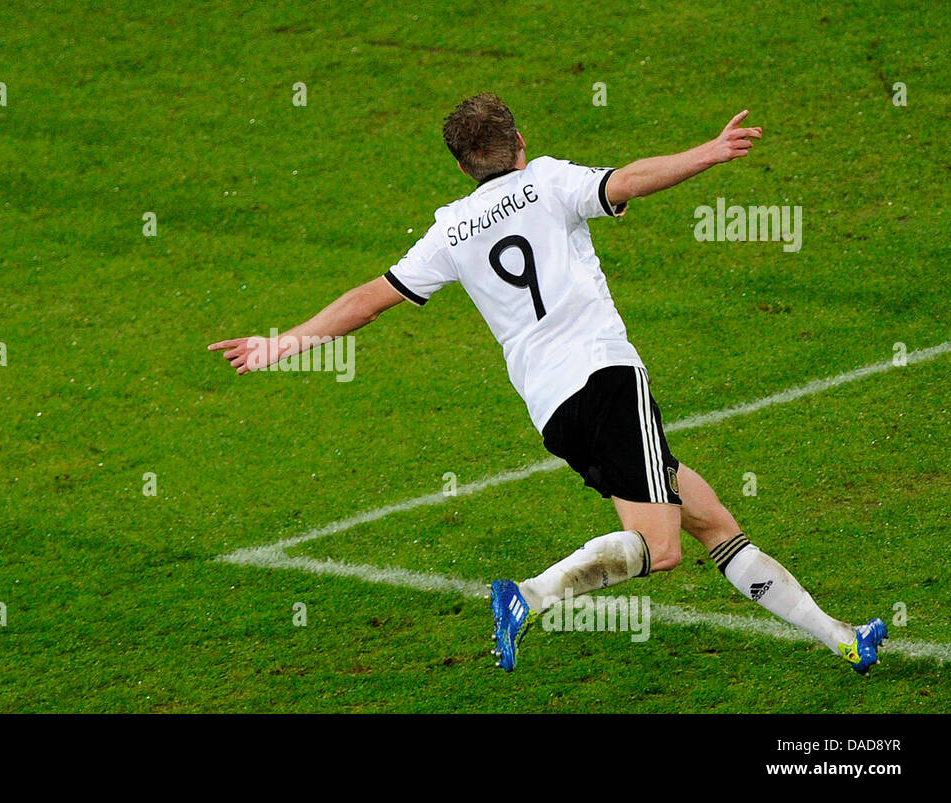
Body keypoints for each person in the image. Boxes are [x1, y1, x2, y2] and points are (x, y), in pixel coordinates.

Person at [208, 92, 886, 674]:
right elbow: (629, 180)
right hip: (606, 378)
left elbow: (369, 297)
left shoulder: (449, 231)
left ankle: (844, 640)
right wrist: (706, 153)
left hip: (554, 411)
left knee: (712, 521)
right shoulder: (550, 181)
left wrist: (283, 342)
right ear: (521, 144)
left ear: (460, 164)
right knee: (663, 544)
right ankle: (529, 594)